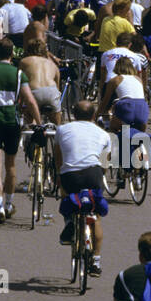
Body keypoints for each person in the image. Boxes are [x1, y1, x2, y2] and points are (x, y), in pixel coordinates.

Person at [0, 38, 41, 224]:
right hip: (12, 120)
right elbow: (30, 100)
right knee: (10, 165)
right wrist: (38, 122)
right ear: (12, 54)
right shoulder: (19, 74)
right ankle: (9, 203)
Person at [54, 100, 112, 272]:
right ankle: (96, 260)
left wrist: (59, 175)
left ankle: (69, 222)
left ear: (74, 115)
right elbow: (105, 163)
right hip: (93, 174)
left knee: (67, 195)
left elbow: (58, 155)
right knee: (95, 217)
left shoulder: (62, 129)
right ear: (94, 116)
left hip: (70, 175)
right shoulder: (103, 134)